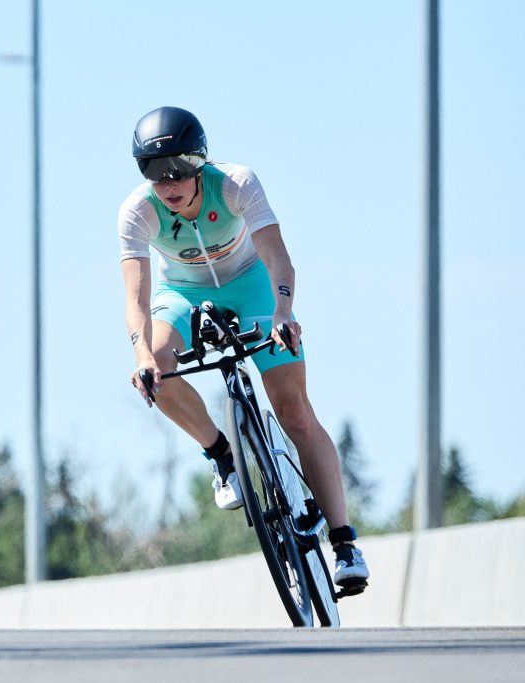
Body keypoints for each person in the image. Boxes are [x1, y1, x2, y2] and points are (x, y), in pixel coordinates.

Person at [119, 106, 369, 586]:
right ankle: (221, 453)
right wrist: (143, 355)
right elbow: (136, 296)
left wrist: (283, 313)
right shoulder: (138, 211)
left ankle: (344, 543)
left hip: (252, 285)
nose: (167, 183)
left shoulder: (235, 184)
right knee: (159, 371)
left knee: (294, 410)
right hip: (183, 293)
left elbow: (277, 258)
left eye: (178, 169)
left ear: (200, 163)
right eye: (153, 171)